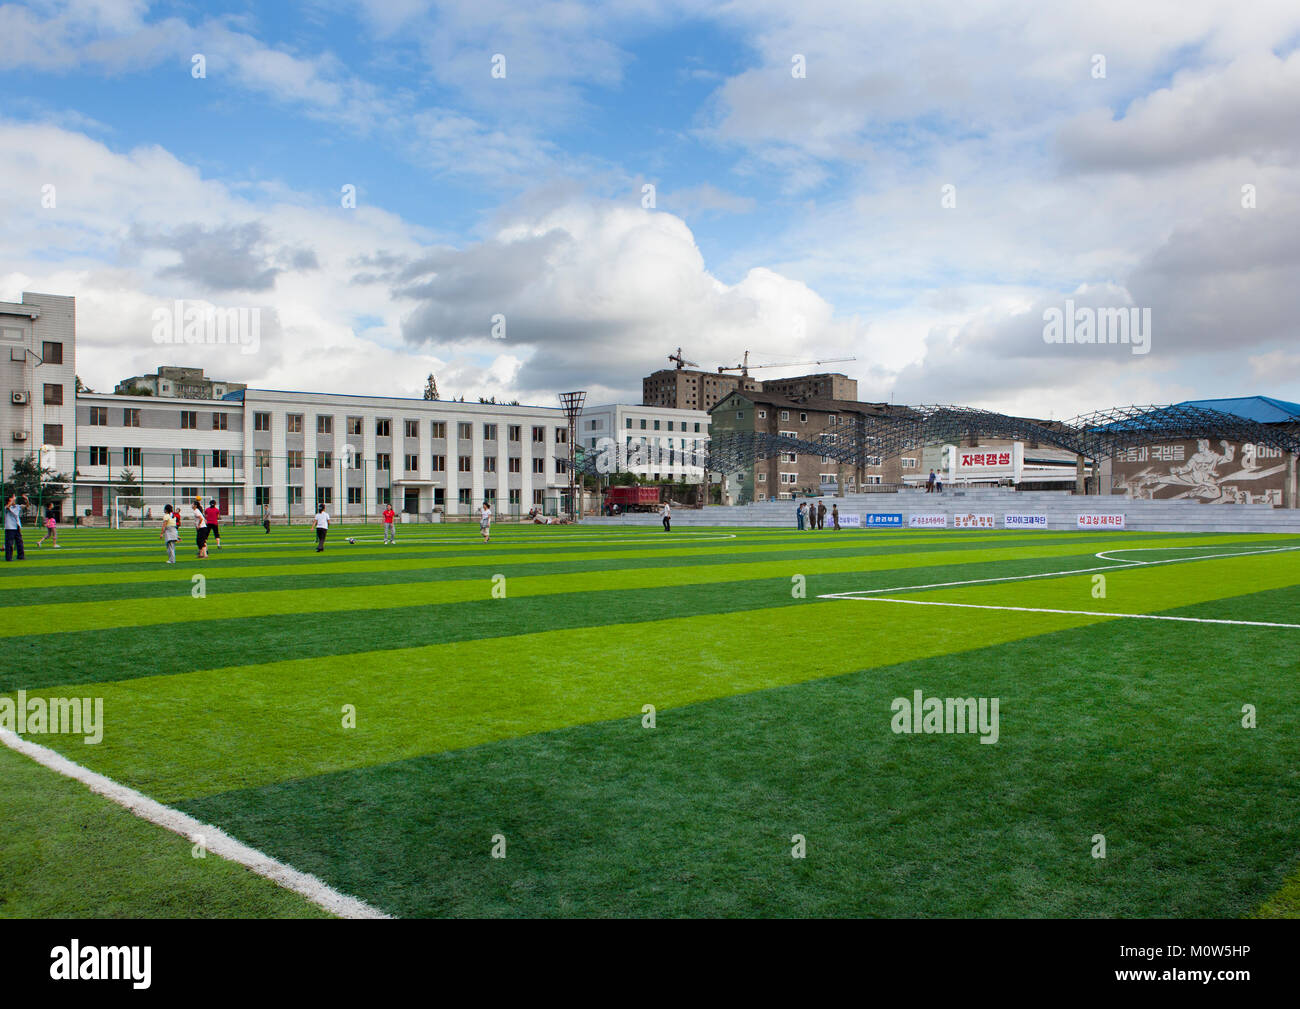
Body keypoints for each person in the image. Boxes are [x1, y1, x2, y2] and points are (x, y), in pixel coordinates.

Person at [4, 493, 29, 561]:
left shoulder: (17, 506)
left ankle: (21, 556)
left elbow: (27, 506)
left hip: (17, 526)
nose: (14, 500)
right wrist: (12, 500)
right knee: (9, 543)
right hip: (10, 527)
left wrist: (26, 499)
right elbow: (8, 507)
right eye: (12, 499)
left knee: (20, 542)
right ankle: (9, 557)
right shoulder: (7, 507)